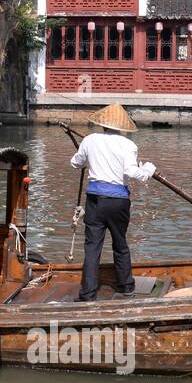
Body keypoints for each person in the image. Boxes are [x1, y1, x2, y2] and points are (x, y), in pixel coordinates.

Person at [69, 104, 156, 302]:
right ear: (121, 126)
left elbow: (75, 163)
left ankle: (88, 294)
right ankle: (126, 287)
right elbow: (132, 172)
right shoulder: (128, 145)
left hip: (95, 201)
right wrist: (148, 172)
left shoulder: (90, 140)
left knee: (92, 247)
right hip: (118, 202)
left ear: (102, 124)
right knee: (120, 243)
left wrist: (88, 159)